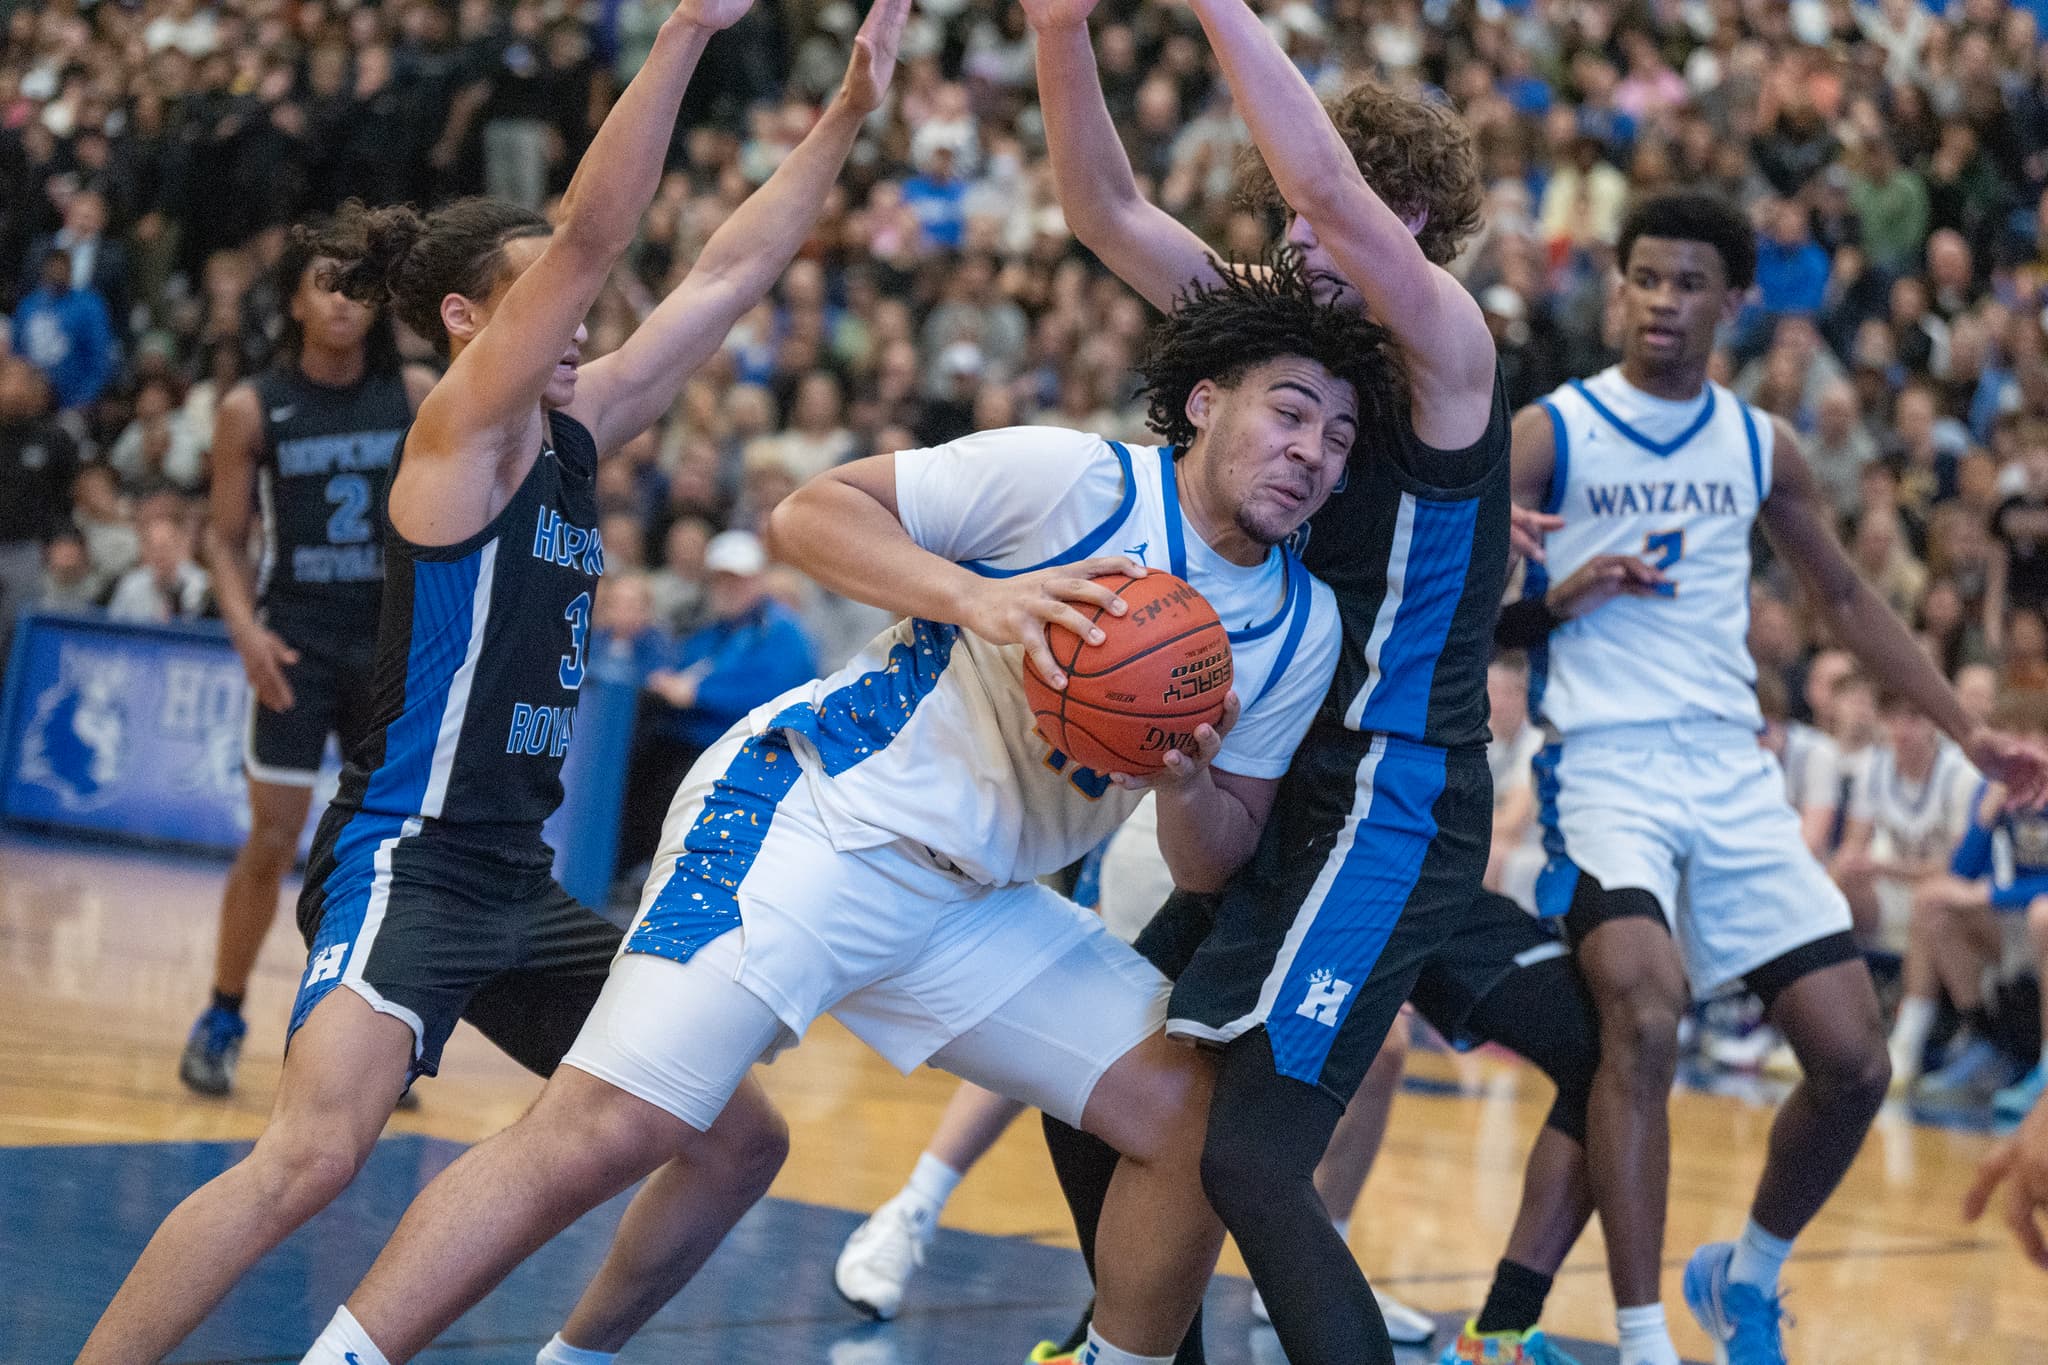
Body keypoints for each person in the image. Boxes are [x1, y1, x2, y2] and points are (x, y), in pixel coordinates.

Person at [295, 255, 1385, 1365]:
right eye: (1288, 412)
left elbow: (1212, 864)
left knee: (1190, 1124)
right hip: (815, 824)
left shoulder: (1299, 630)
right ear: (1206, 405)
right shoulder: (1077, 484)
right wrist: (979, 597)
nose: (1308, 450)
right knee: (615, 1127)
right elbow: (808, 514)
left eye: (1337, 439)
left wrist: (1183, 782)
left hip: (979, 906)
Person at [77, 0, 898, 1355]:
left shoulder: (577, 432)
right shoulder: (460, 434)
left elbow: (725, 275)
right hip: (409, 858)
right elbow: (595, 238)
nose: (575, 320)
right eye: (542, 301)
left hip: (518, 878)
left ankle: (573, 1351)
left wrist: (845, 119)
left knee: (736, 1136)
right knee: (311, 1156)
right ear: (466, 319)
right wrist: (687, 31)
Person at [1025, 1, 1659, 1362]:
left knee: (1253, 1161)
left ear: (1420, 225)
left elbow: (1323, 181)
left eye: (1353, 214)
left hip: (1393, 793)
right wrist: (1058, 28)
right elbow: (1100, 203)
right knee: (1090, 1086)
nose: (1308, 234)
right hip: (1279, 786)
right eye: (1294, 219)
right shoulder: (1278, 354)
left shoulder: (1449, 353)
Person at [1509, 189, 2048, 1365]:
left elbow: (1846, 601)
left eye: (1688, 283)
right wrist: (1551, 599)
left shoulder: (1760, 444)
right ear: (1615, 285)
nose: (1661, 302)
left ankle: (1741, 1281)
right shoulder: (1548, 435)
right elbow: (1463, 615)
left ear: (1734, 301)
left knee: (1853, 1060)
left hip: (1730, 769)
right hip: (1603, 769)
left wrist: (1968, 734)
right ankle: (1643, 1338)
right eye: (1643, 277)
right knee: (1641, 1017)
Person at [176, 231, 435, 1097]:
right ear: (294, 301)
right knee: (274, 837)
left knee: (385, 850)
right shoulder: (253, 407)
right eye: (325, 286)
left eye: (358, 288)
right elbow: (222, 537)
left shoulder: (414, 392)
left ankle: (378, 1042)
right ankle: (222, 1010)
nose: (341, 301)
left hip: (389, 650)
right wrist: (245, 630)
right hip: (296, 644)